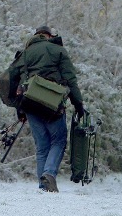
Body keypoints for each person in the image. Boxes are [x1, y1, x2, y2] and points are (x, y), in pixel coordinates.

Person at [7, 25, 85, 192]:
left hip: (30, 103)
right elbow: (70, 79)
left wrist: (20, 110)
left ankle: (43, 186)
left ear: (36, 36)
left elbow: (15, 82)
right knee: (58, 140)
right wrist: (78, 104)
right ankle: (49, 174)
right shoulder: (57, 50)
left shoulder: (25, 53)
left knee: (42, 146)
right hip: (52, 104)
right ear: (49, 36)